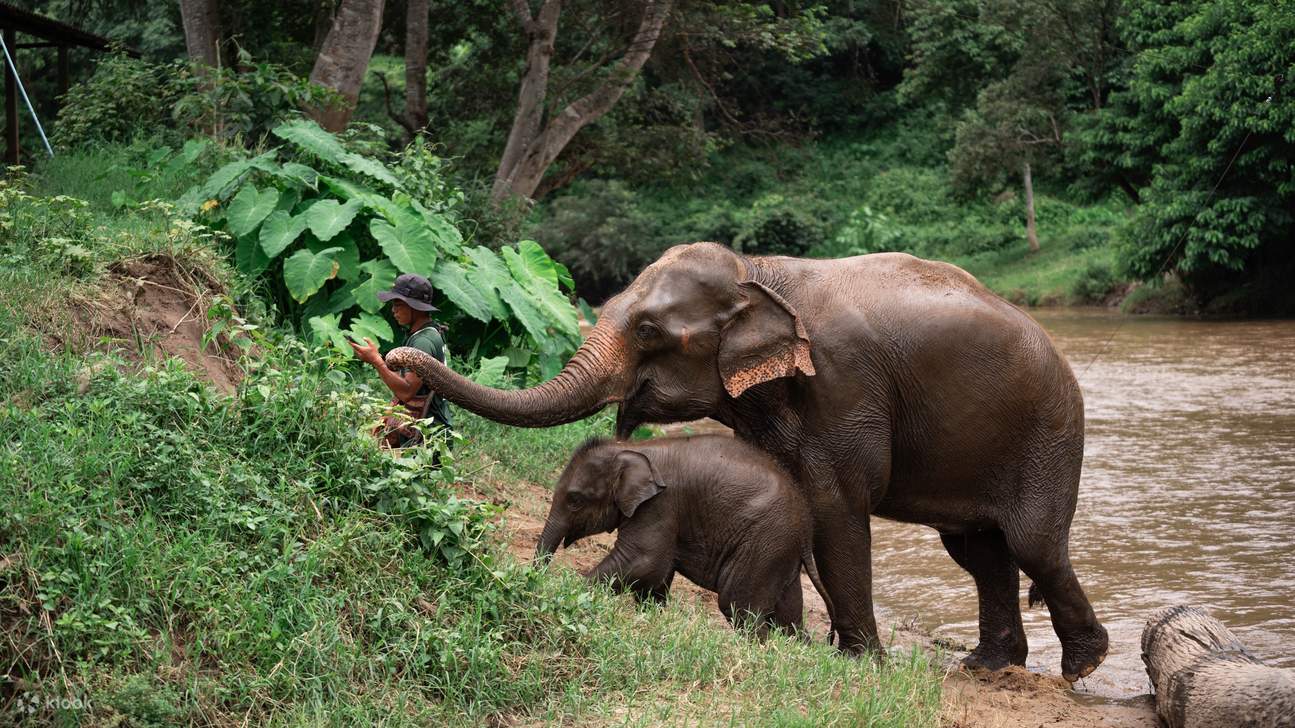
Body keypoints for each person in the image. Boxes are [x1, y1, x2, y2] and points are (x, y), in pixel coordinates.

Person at [348, 273, 452, 448]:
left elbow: (407, 391)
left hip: (427, 435)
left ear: (416, 307)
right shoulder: (428, 332)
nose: (393, 310)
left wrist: (376, 362)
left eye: (398, 305)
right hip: (427, 428)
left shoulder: (422, 342)